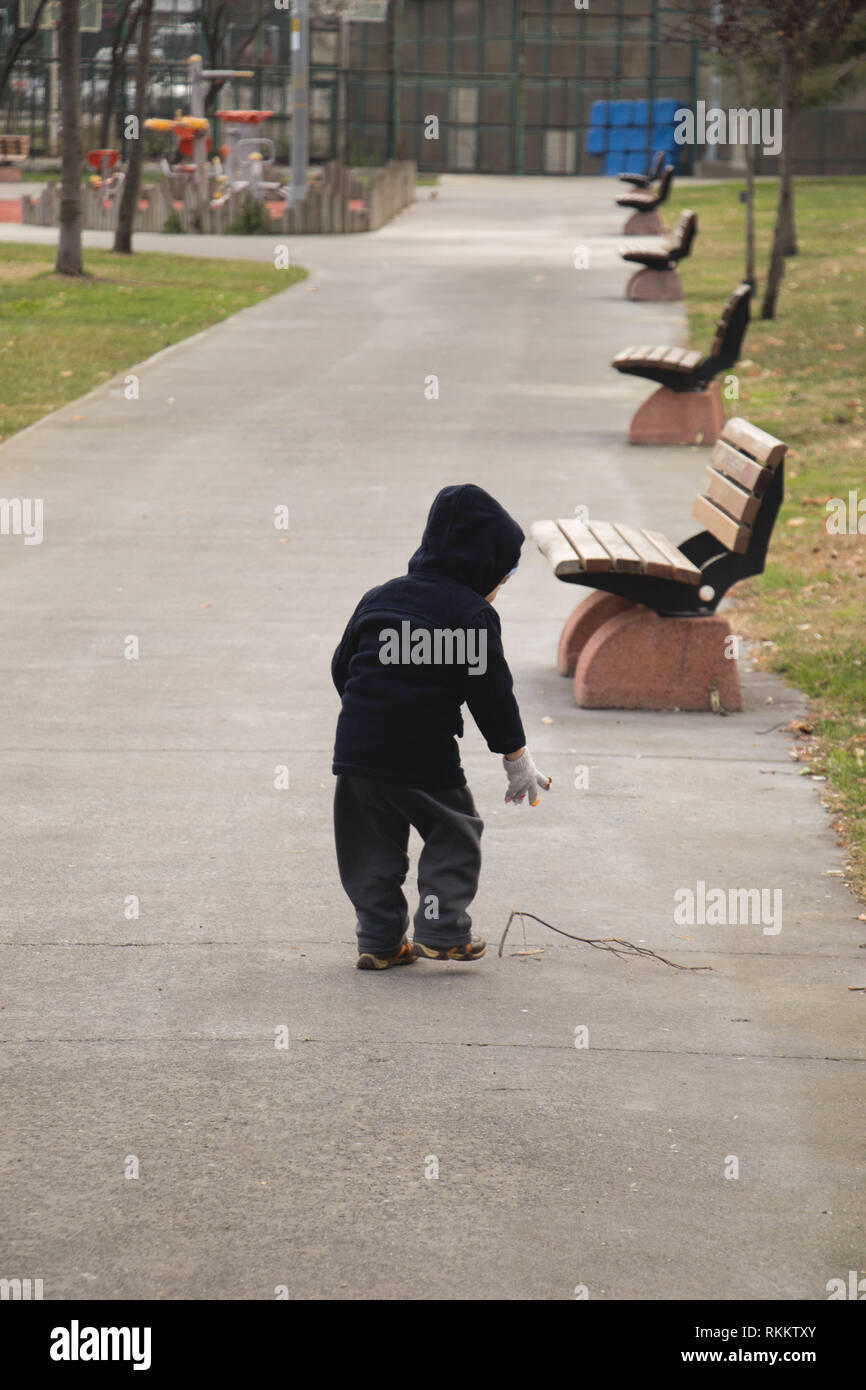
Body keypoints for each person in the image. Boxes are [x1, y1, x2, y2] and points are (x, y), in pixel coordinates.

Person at [331, 483, 551, 971]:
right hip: (422, 753)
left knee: (369, 844)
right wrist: (517, 759)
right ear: (481, 566)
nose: (498, 591)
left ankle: (380, 940)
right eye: (501, 579)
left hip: (358, 752)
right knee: (454, 831)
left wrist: (368, 712)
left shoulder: (379, 598)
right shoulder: (473, 615)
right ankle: (442, 930)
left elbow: (342, 666)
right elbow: (492, 696)